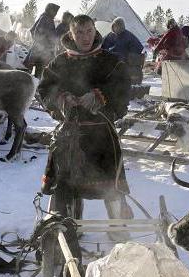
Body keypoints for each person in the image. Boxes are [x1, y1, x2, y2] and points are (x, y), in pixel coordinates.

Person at [38, 14, 134, 242]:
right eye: (79, 32)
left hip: (102, 134)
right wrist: (61, 99)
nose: (85, 37)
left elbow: (123, 88)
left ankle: (117, 228)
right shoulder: (59, 62)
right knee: (66, 183)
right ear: (70, 34)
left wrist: (100, 97)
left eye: (89, 31)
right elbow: (44, 89)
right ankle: (66, 227)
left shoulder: (110, 61)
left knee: (111, 184)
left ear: (95, 30)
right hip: (70, 134)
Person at [102, 17, 145, 84]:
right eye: (114, 26)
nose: (115, 28)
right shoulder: (111, 35)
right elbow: (103, 46)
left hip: (128, 65)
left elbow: (137, 49)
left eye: (117, 26)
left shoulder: (128, 36)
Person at [28, 3, 60, 78]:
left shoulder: (46, 18)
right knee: (37, 74)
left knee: (38, 73)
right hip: (41, 51)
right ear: (50, 10)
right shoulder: (45, 18)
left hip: (42, 50)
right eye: (54, 11)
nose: (55, 14)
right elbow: (35, 31)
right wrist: (42, 43)